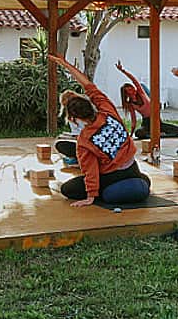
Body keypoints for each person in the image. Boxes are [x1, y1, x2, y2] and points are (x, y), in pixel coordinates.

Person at [50, 55, 151, 207]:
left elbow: (90, 171)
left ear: (73, 117)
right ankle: (136, 181)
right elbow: (89, 85)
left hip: (112, 175)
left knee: (67, 189)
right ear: (90, 104)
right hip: (132, 167)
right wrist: (65, 64)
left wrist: (90, 197)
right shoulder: (108, 110)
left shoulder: (84, 140)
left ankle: (112, 190)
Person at [116, 60, 178, 140]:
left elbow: (134, 80)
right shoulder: (131, 104)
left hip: (157, 120)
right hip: (146, 123)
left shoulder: (141, 93)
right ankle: (156, 134)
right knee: (139, 133)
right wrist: (131, 134)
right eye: (129, 90)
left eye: (132, 88)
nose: (132, 90)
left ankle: (156, 134)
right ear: (126, 94)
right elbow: (133, 120)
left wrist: (123, 71)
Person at [55, 90, 88, 164]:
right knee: (60, 143)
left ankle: (83, 157)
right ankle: (80, 157)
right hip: (83, 142)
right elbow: (77, 134)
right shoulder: (70, 117)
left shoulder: (87, 108)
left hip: (93, 142)